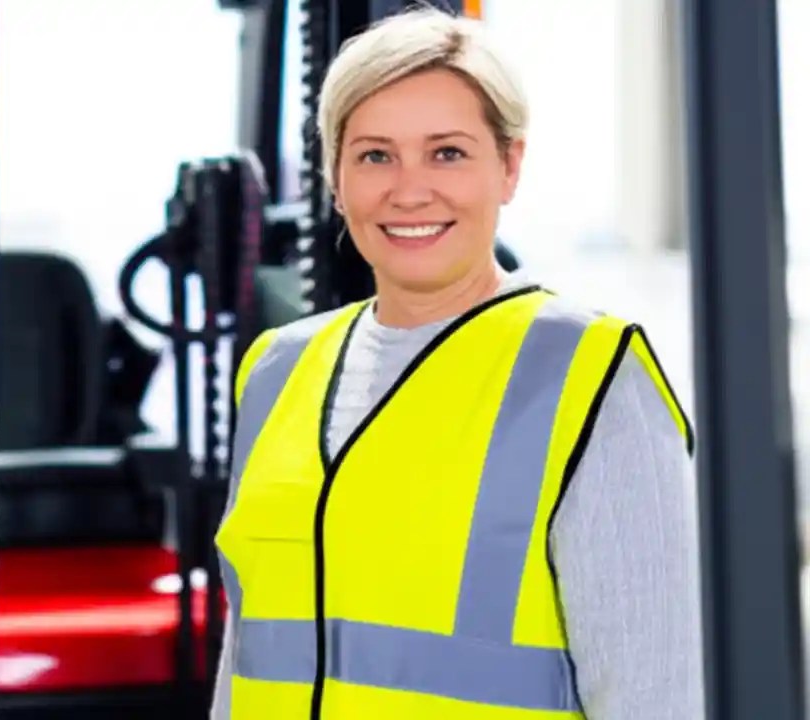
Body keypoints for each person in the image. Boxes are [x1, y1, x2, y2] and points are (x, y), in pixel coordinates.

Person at [210, 7, 703, 720]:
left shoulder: (591, 374)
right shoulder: (276, 371)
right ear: (336, 178)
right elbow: (244, 659)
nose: (409, 191)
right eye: (375, 155)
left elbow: (658, 695)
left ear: (509, 166)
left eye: (447, 153)